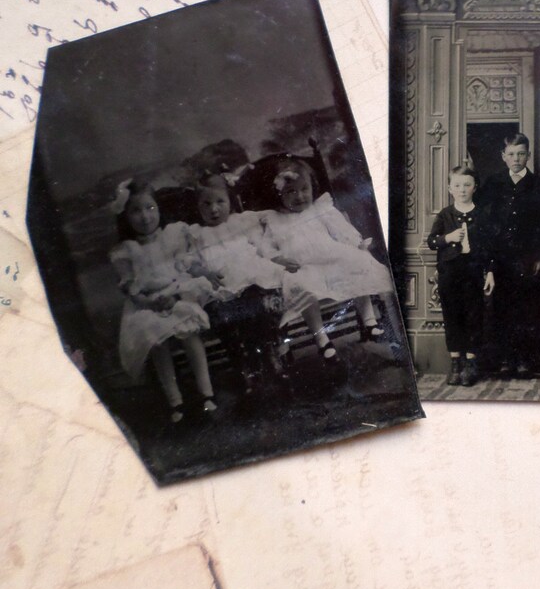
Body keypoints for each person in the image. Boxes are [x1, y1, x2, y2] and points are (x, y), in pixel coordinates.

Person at [188, 172, 320, 393]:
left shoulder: (242, 222)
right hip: (221, 286)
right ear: (197, 207)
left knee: (262, 303)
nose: (214, 209)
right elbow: (189, 263)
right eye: (206, 204)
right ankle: (244, 367)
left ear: (231, 200)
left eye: (220, 201)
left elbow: (263, 246)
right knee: (224, 316)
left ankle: (271, 357)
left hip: (253, 277)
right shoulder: (195, 234)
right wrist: (203, 273)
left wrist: (278, 259)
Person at [258, 159, 395, 359]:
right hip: (302, 267)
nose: (299, 196)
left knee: (357, 262)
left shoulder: (320, 209)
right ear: (278, 194)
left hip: (332, 256)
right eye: (290, 192)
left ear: (312, 187)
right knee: (303, 287)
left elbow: (341, 229)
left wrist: (354, 243)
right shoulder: (274, 220)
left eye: (304, 189)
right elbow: (266, 248)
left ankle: (370, 321)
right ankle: (322, 339)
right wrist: (280, 260)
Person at [108, 180, 218, 424]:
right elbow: (130, 289)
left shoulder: (173, 235)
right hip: (146, 303)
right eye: (135, 211)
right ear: (125, 217)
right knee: (154, 336)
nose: (145, 217)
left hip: (178, 292)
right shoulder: (126, 251)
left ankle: (206, 393)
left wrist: (176, 296)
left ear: (159, 209)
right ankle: (174, 399)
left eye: (150, 208)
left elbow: (187, 270)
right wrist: (149, 303)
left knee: (188, 330)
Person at [476, 133, 540, 378]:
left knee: (527, 309)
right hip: (501, 258)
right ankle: (506, 359)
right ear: (503, 156)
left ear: (528, 155)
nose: (516, 159)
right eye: (511, 154)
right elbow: (484, 222)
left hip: (529, 258)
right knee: (502, 309)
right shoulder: (493, 183)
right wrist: (489, 262)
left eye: (521, 153)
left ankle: (525, 360)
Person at [427, 165, 495, 387]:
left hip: (473, 270)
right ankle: (455, 363)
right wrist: (448, 238)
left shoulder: (482, 214)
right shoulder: (445, 215)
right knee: (452, 316)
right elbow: (431, 241)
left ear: (474, 187)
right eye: (457, 185)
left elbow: (489, 247)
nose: (462, 189)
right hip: (450, 271)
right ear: (450, 188)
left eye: (466, 185)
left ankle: (470, 364)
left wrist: (490, 272)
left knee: (474, 316)